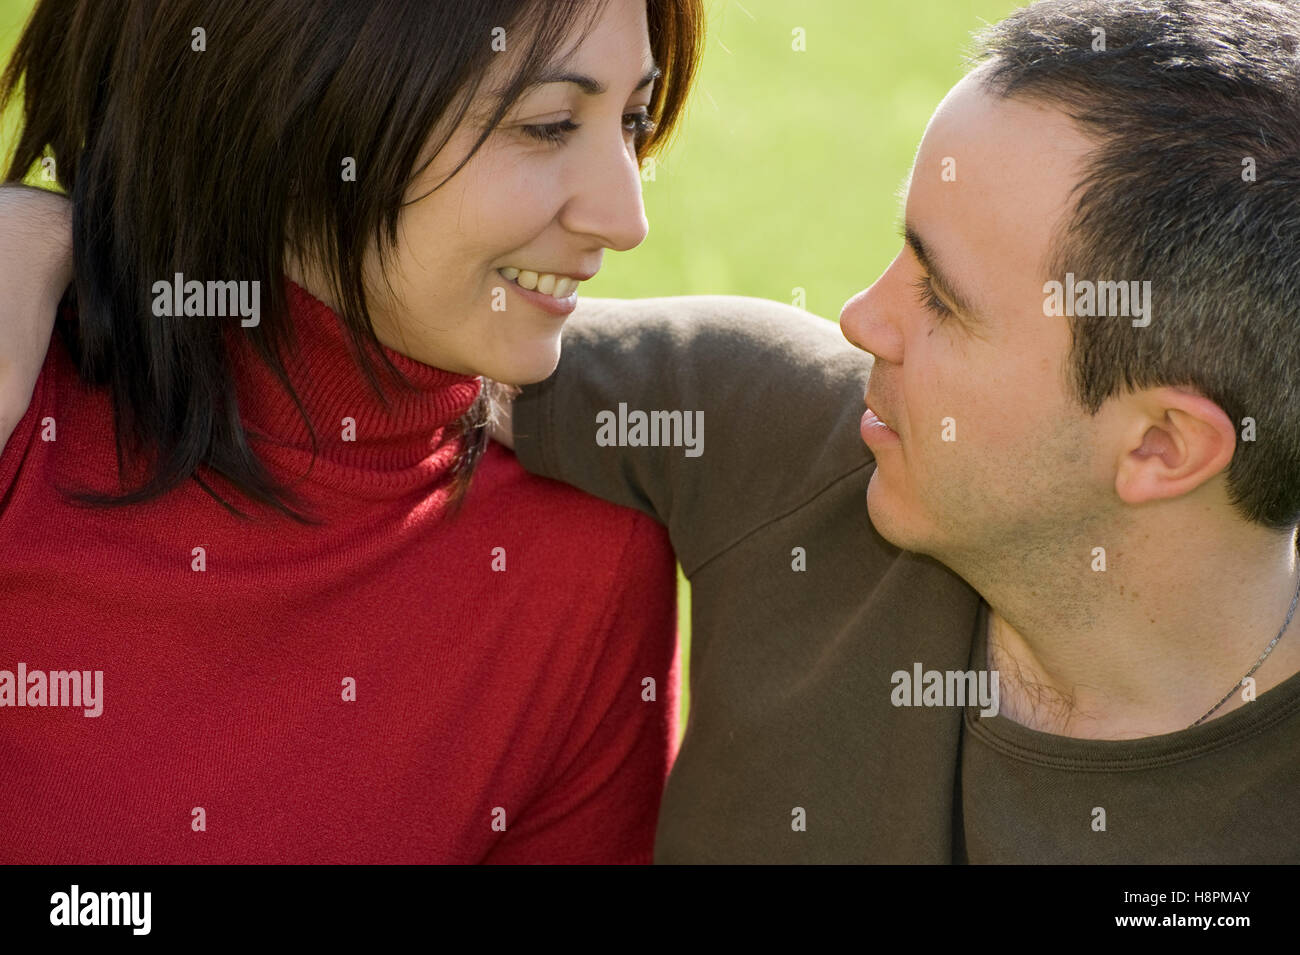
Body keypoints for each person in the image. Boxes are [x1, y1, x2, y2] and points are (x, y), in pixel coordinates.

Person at [6, 0, 1299, 865]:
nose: (860, 319)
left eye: (944, 301)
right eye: (552, 122)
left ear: (1162, 451)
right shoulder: (773, 430)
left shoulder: (597, 542)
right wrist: (54, 228)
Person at [0, 0, 704, 864]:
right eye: (548, 124)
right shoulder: (24, 419)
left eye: (632, 119)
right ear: (295, 105)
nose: (625, 218)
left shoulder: (587, 552)